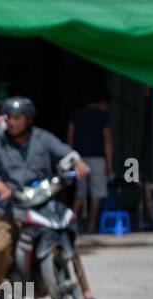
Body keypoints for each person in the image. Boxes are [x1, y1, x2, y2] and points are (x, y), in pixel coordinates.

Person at [0, 96, 104, 299]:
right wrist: (3, 190)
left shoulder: (43, 139)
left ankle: (86, 295)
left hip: (43, 205)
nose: (12, 122)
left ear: (27, 119)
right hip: (12, 209)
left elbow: (66, 152)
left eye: (17, 118)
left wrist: (77, 162)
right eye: (9, 118)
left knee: (66, 239)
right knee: (0, 246)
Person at [67, 95, 113, 234]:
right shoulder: (102, 115)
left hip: (79, 158)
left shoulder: (75, 114)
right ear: (103, 102)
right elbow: (108, 142)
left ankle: (70, 224)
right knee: (96, 194)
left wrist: (71, 159)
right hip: (98, 159)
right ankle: (91, 225)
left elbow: (70, 137)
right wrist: (109, 164)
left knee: (80, 192)